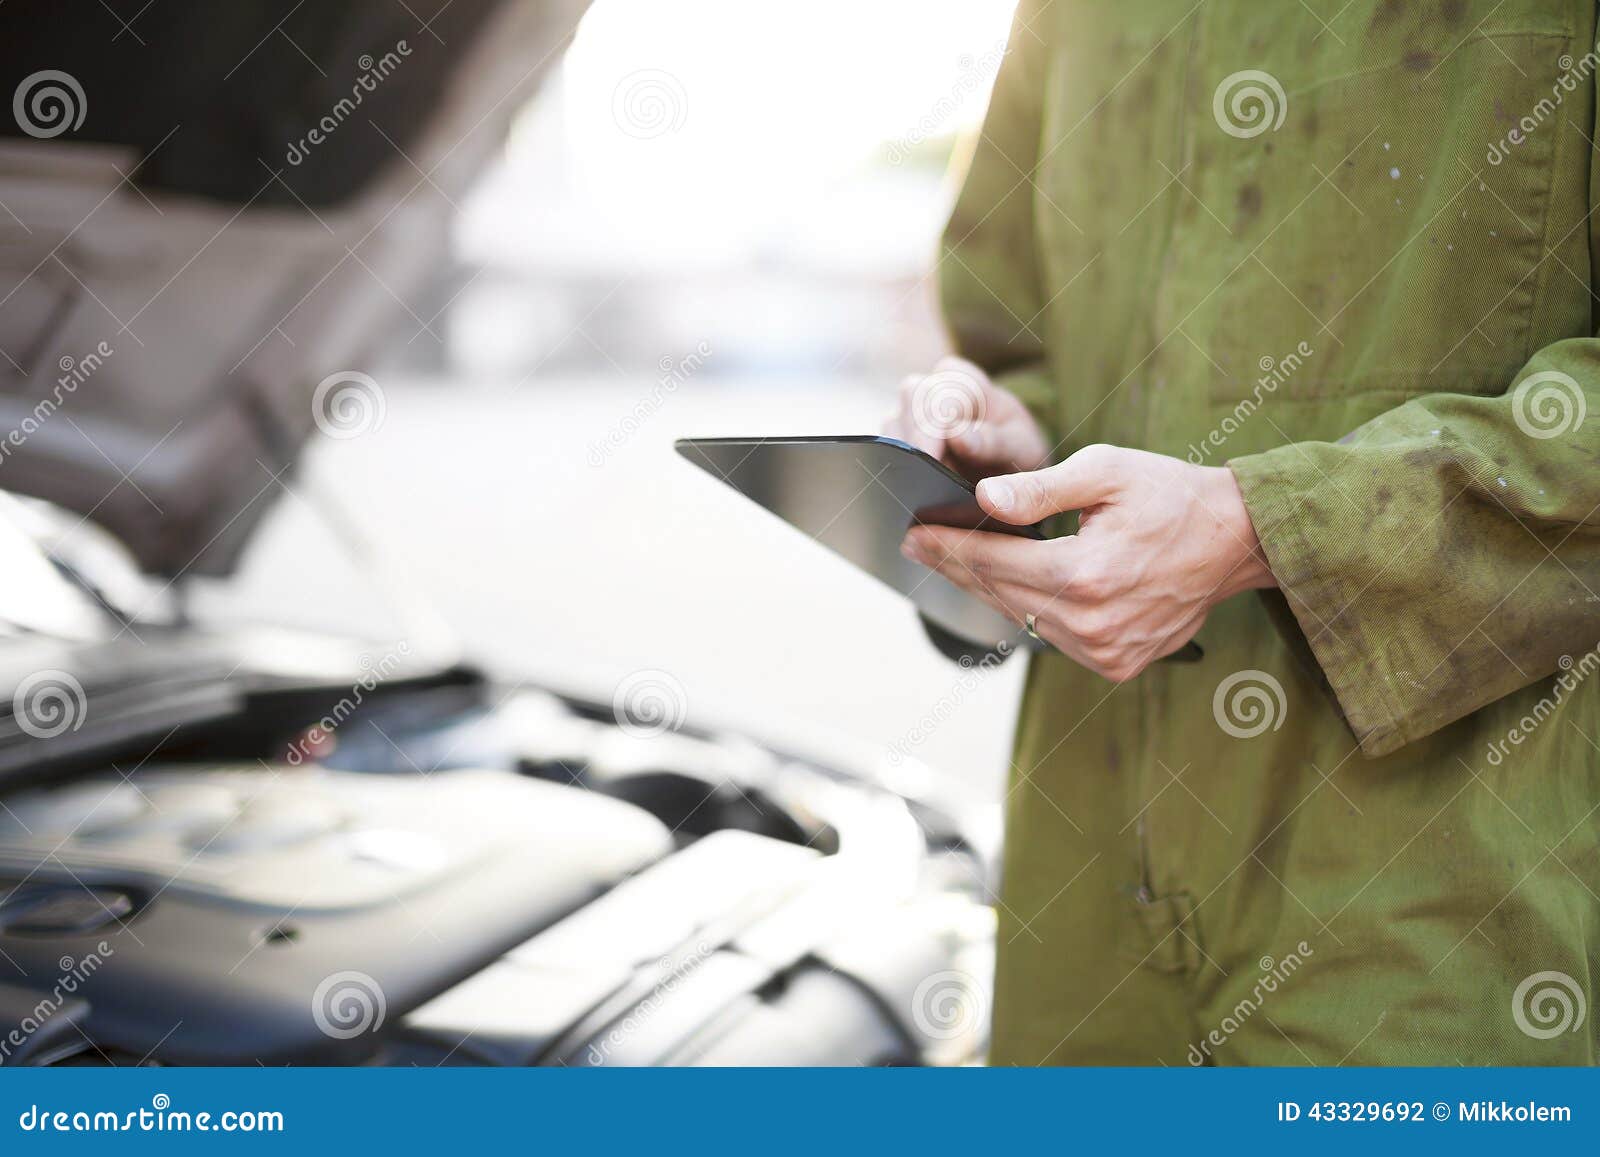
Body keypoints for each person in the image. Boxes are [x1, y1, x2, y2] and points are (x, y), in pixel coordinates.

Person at [887, 0, 1600, 1065]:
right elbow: (1008, 326)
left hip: (1427, 916)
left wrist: (1268, 525)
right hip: (1075, 899)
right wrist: (1014, 451)